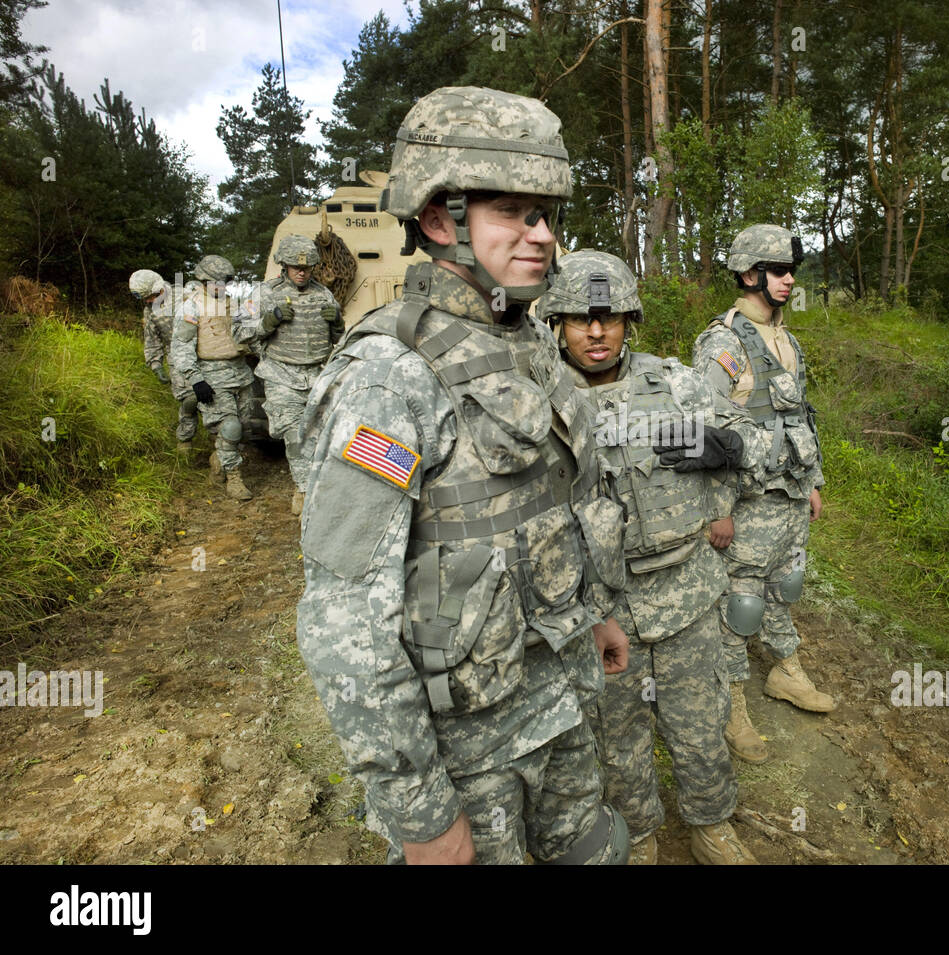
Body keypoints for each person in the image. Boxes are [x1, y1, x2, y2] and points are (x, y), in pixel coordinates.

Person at [295, 86, 632, 865]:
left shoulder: (529, 343)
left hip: (563, 704)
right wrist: (420, 810)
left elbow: (557, 505)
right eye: (515, 212)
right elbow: (346, 621)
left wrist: (596, 617)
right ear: (441, 218)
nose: (542, 236)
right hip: (470, 758)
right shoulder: (387, 377)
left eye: (546, 215)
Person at [539, 248, 764, 865]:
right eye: (581, 318)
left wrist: (726, 445)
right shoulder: (539, 400)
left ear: (629, 320)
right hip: (603, 608)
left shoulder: (677, 383)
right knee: (618, 741)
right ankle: (639, 836)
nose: (595, 331)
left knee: (698, 727)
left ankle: (712, 825)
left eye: (609, 318)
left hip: (687, 593)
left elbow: (761, 441)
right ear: (557, 322)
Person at [692, 224, 832, 766]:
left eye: (790, 270)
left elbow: (800, 417)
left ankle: (784, 669)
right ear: (750, 274)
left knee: (785, 585)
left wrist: (814, 481)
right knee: (741, 605)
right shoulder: (723, 343)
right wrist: (717, 509)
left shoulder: (786, 339)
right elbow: (707, 433)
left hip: (790, 495)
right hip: (745, 502)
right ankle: (732, 704)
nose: (789, 280)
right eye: (778, 271)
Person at [237, 235, 342, 515]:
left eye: (306, 268)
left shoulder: (323, 294)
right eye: (296, 267)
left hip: (318, 375)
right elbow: (238, 332)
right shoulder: (263, 293)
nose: (301, 272)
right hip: (281, 374)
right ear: (283, 266)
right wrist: (267, 321)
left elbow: (335, 338)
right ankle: (305, 493)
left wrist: (337, 324)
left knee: (322, 436)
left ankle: (320, 487)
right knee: (295, 437)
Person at [170, 254, 256, 501]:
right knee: (230, 426)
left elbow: (250, 333)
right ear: (204, 281)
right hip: (212, 374)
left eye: (225, 281)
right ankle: (234, 478)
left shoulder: (235, 304)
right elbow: (182, 347)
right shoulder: (191, 306)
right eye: (215, 281)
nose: (221, 286)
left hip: (241, 372)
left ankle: (220, 457)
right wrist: (196, 379)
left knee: (244, 427)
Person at [129, 268, 197, 454]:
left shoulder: (186, 296)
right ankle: (185, 442)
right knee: (188, 400)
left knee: (212, 398)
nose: (150, 301)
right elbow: (152, 339)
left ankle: (221, 443)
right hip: (176, 357)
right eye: (145, 299)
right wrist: (156, 364)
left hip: (201, 354)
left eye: (152, 296)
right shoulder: (150, 310)